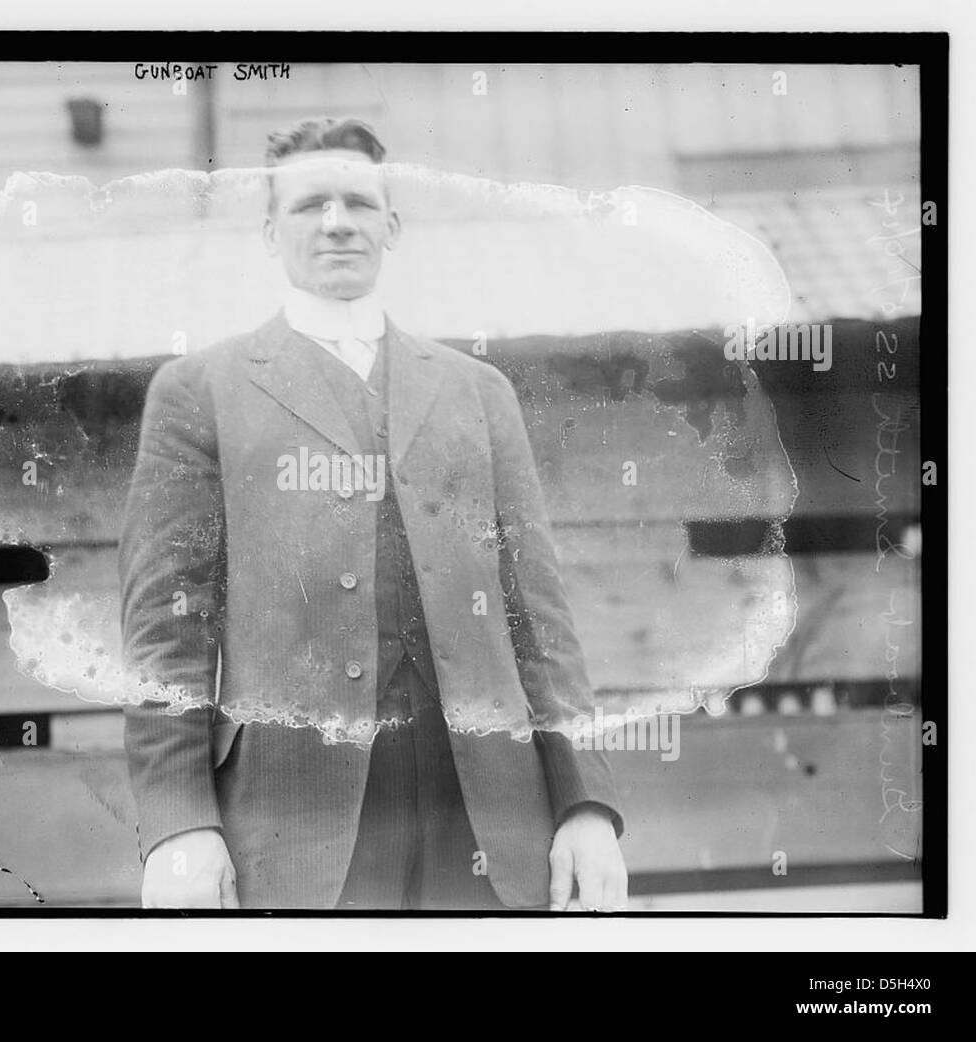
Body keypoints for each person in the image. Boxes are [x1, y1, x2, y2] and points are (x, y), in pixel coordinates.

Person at [119, 116, 627, 910]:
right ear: (269, 232)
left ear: (392, 225)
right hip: (294, 824)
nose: (336, 221)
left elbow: (540, 616)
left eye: (358, 202)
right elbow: (165, 631)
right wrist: (179, 824)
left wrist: (585, 805)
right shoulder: (200, 392)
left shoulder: (477, 392)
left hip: (492, 818)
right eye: (309, 204)